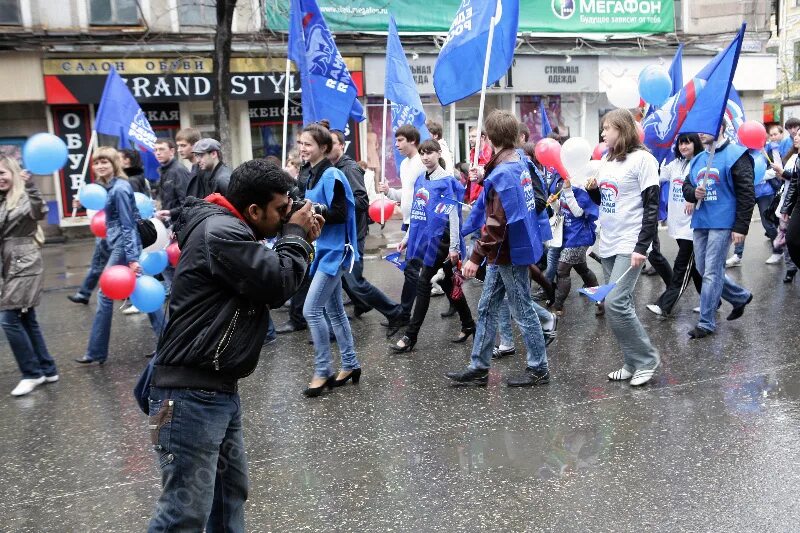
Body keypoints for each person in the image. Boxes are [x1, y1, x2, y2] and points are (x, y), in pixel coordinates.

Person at [146, 159, 321, 531]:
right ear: (253, 210)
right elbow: (277, 284)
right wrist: (296, 238)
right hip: (190, 394)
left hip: (214, 389)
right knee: (183, 514)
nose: (288, 214)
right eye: (281, 209)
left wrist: (295, 238)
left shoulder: (230, 227)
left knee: (227, 498)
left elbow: (270, 276)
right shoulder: (222, 232)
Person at [446, 110, 550, 388]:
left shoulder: (505, 171)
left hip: (508, 252)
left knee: (523, 310)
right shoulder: (519, 162)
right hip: (510, 249)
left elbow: (497, 220)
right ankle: (479, 366)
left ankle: (539, 368)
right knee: (488, 306)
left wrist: (476, 255)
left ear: (490, 138)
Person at [586, 109, 660, 386]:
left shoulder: (644, 160)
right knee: (616, 303)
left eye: (608, 128)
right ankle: (631, 361)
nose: (603, 133)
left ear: (623, 129)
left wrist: (643, 246)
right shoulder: (606, 160)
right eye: (603, 129)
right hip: (607, 241)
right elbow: (604, 201)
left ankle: (647, 359)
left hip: (631, 242)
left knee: (616, 303)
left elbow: (652, 207)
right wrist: (592, 189)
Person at [74, 147, 165, 365]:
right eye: (97, 162)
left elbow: (128, 226)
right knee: (141, 289)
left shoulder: (121, 188)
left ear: (114, 163)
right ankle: (168, 343)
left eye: (105, 162)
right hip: (116, 243)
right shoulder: (108, 188)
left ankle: (96, 351)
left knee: (105, 294)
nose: (100, 166)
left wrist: (133, 258)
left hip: (123, 246)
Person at [389, 139, 474, 352]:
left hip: (443, 239)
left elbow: (454, 216)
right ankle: (469, 324)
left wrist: (455, 246)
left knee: (424, 280)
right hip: (426, 238)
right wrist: (407, 238)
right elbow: (418, 213)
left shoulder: (448, 181)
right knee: (446, 283)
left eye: (429, 153)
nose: (426, 157)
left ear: (438, 154)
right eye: (422, 153)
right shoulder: (420, 179)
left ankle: (411, 336)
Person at [298, 122, 361, 397]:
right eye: (300, 143)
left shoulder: (333, 174)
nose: (302, 148)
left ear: (323, 148)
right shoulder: (309, 174)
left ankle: (322, 371)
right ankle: (350, 364)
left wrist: (310, 209)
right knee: (334, 312)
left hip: (336, 251)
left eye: (307, 144)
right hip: (321, 250)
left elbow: (341, 212)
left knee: (311, 310)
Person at [682, 121, 755, 339]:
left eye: (707, 128)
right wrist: (693, 192)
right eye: (701, 128)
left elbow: (747, 194)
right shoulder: (697, 159)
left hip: (723, 222)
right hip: (701, 220)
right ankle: (740, 296)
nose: (701, 132)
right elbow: (686, 187)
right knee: (704, 270)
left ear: (720, 128)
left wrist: (741, 227)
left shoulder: (736, 155)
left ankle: (706, 322)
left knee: (712, 272)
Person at [330, 130, 406, 330]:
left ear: (341, 145)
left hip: (353, 234)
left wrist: (336, 207)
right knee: (340, 276)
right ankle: (362, 303)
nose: (327, 148)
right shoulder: (333, 168)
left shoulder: (350, 169)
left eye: (331, 143)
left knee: (354, 281)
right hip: (342, 235)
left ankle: (395, 312)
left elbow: (362, 201)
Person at [0, 156, 58, 396]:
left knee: (8, 319)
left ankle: (31, 373)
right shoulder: (2, 201)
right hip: (8, 263)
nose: (0, 178)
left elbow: (39, 211)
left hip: (25, 263)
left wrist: (32, 187)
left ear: (13, 173)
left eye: (2, 173)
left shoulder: (24, 197)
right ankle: (47, 368)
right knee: (26, 318)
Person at [646, 133, 704, 317]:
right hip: (678, 223)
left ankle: (665, 305)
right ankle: (712, 300)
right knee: (694, 268)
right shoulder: (676, 164)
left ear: (695, 143)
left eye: (687, 143)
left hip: (693, 226)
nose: (683, 147)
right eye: (680, 143)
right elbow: (658, 177)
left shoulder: (701, 163)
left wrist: (694, 197)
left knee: (682, 266)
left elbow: (705, 186)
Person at [379, 125, 425, 328]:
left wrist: (418, 222)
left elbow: (424, 195)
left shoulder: (421, 163)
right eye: (396, 140)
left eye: (400, 140)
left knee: (412, 270)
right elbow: (405, 194)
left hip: (420, 223)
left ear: (412, 141)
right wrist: (389, 191)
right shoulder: (405, 164)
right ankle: (461, 310)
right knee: (431, 269)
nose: (396, 144)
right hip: (408, 222)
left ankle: (404, 314)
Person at [726, 123, 783, 267]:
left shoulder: (769, 148)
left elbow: (778, 170)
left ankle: (778, 250)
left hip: (765, 193)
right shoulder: (739, 152)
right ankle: (737, 255)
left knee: (768, 224)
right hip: (746, 193)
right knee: (740, 222)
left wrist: (761, 175)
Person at [552, 177, 601, 316]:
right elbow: (561, 211)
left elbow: (578, 213)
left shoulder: (583, 188)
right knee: (582, 269)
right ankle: (601, 299)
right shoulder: (566, 185)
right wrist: (554, 203)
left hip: (579, 237)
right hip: (568, 236)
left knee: (562, 271)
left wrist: (567, 190)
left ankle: (558, 306)